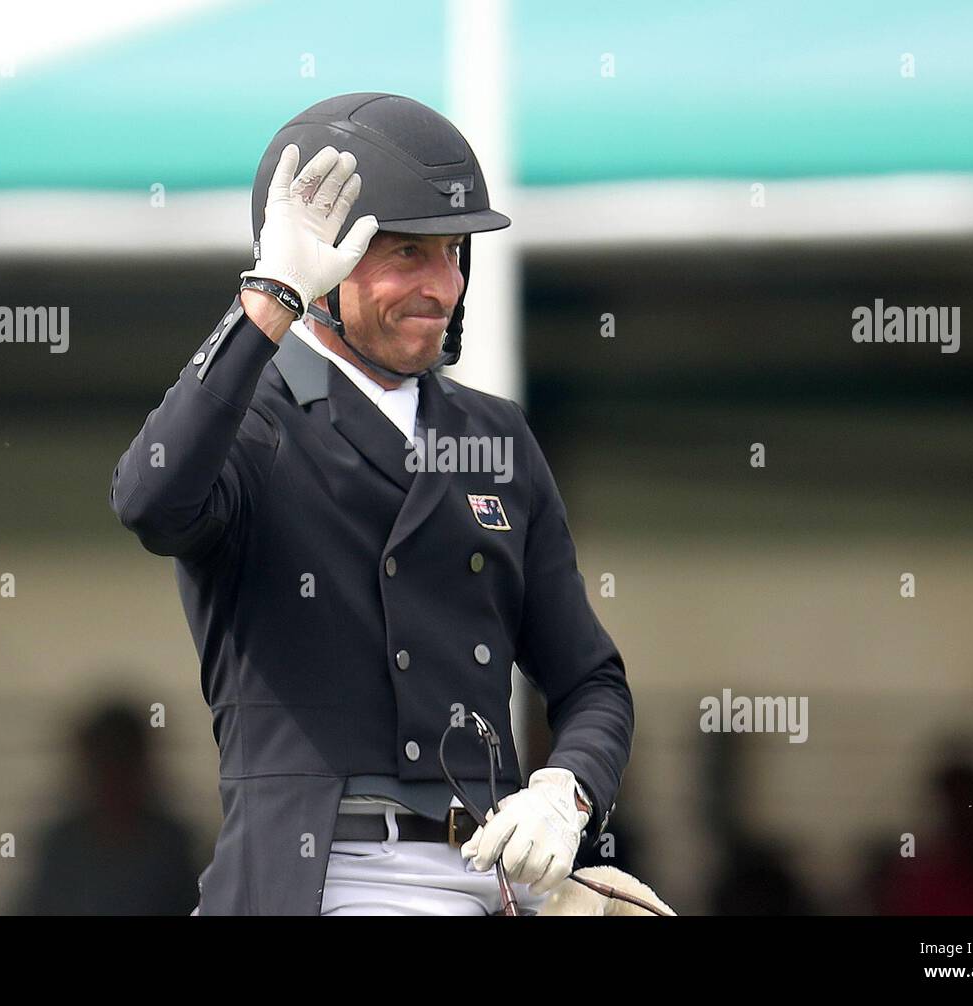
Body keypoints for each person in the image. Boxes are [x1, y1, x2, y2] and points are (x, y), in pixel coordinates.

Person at [109, 92, 634, 915]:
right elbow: (149, 499)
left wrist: (565, 793)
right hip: (318, 881)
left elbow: (592, 681)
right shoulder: (249, 426)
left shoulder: (497, 437)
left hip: (491, 876)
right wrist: (267, 300)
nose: (443, 286)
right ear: (320, 270)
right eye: (406, 254)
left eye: (454, 253)